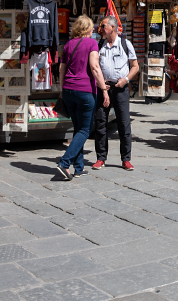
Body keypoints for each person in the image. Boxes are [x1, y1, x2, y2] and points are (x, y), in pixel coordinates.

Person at [53, 16, 102, 181]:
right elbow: (94, 66)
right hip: (85, 91)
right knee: (85, 130)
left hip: (68, 90)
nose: (94, 30)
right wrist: (103, 87)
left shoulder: (68, 44)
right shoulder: (92, 44)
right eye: (92, 27)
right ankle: (65, 163)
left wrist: (62, 89)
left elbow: (62, 69)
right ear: (87, 28)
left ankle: (79, 168)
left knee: (78, 128)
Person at [91, 17, 139, 170]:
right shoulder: (100, 45)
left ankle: (126, 159)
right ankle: (101, 157)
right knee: (100, 123)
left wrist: (126, 80)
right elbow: (94, 66)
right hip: (104, 88)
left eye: (103, 26)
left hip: (120, 88)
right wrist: (99, 84)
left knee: (124, 123)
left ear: (112, 27)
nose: (100, 28)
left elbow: (135, 66)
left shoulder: (125, 44)